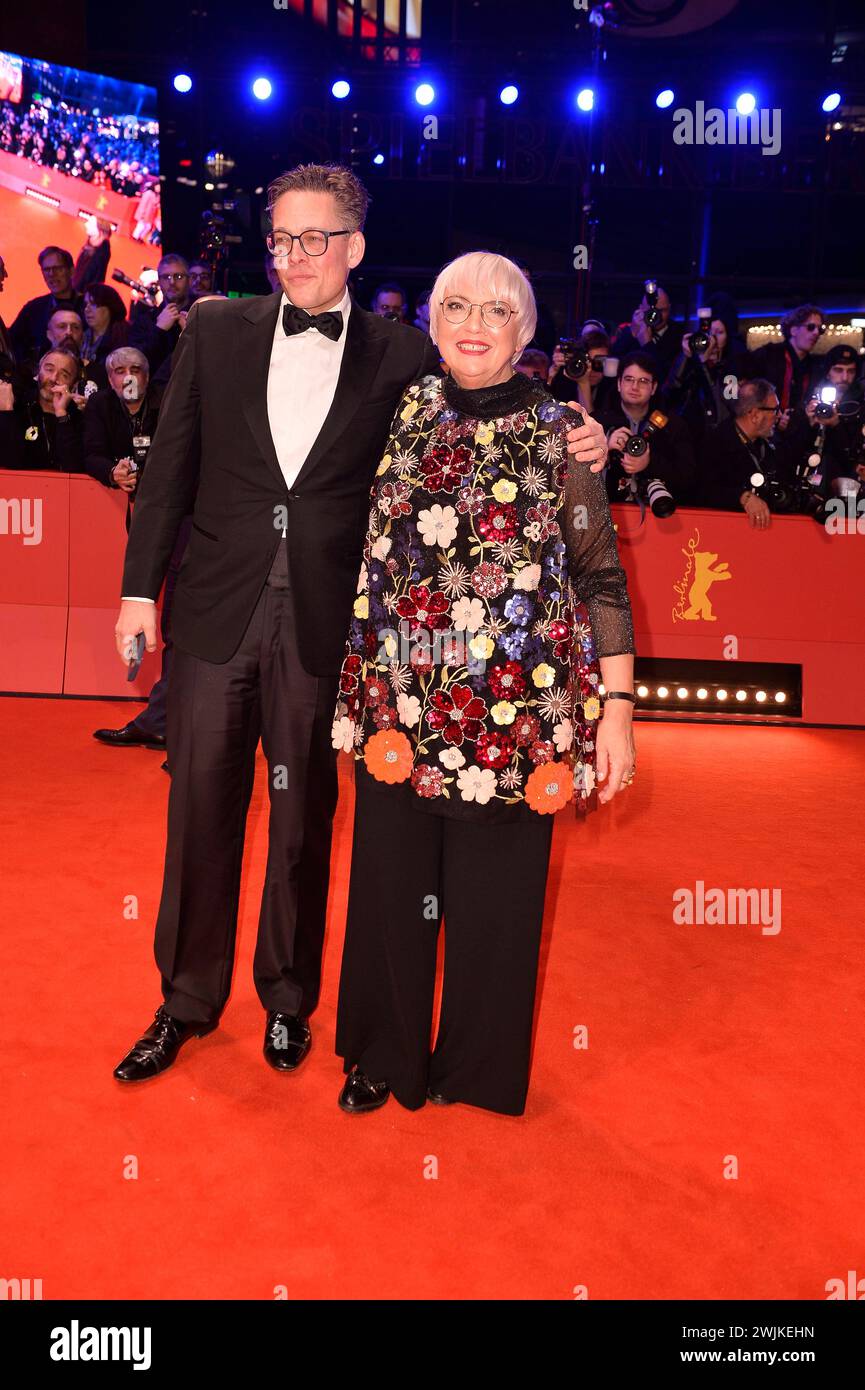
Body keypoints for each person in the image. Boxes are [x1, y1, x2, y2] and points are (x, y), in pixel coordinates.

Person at [110, 162, 444, 1084]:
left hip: (325, 623)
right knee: (200, 811)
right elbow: (171, 466)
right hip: (217, 610)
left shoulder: (402, 354)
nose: (293, 258)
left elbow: (467, 437)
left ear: (355, 247)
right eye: (280, 239)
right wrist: (140, 589)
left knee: (303, 821)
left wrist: (572, 432)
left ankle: (287, 998)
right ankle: (183, 1000)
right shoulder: (216, 327)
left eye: (313, 239)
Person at [331, 251, 633, 1118]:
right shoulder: (405, 407)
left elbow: (599, 579)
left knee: (496, 901)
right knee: (389, 885)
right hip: (400, 697)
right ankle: (383, 1053)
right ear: (430, 319)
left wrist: (616, 712)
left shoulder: (561, 435)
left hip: (515, 710)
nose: (472, 322)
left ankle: (476, 1064)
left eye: (495, 310)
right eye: (454, 304)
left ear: (525, 331)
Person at [700, 378, 791, 527]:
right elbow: (702, 491)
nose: (779, 415)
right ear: (755, 415)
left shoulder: (771, 446)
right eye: (775, 409)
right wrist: (742, 497)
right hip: (722, 533)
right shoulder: (715, 444)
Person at [0, 348, 84, 469]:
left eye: (64, 375)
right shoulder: (19, 408)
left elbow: (73, 466)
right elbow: (10, 461)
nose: (54, 378)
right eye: (49, 369)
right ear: (38, 373)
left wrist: (61, 414)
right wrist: (6, 412)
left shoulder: (79, 418)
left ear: (74, 385)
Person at [8, 246, 85, 370]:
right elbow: (11, 343)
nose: (51, 274)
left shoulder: (87, 306)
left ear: (71, 271)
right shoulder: (33, 308)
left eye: (57, 268)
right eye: (46, 269)